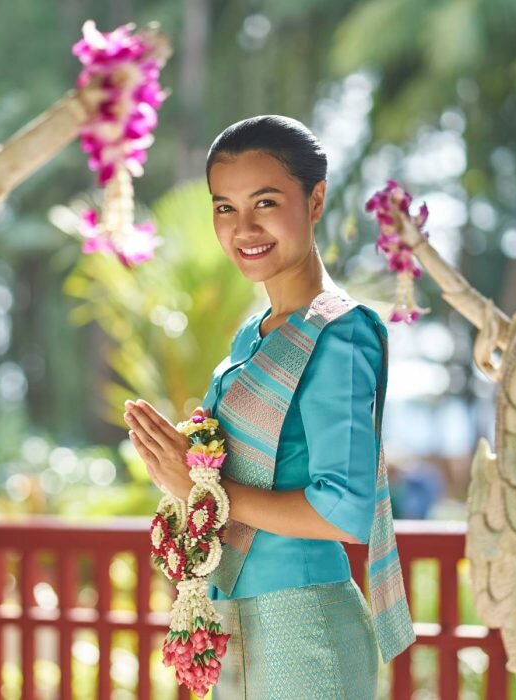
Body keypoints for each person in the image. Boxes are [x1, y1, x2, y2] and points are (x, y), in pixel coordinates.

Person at [123, 115, 413, 699]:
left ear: (315, 200)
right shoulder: (252, 337)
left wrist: (201, 486)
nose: (243, 227)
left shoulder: (339, 335)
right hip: (239, 618)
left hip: (305, 627)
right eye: (224, 207)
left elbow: (344, 512)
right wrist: (187, 484)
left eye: (265, 202)